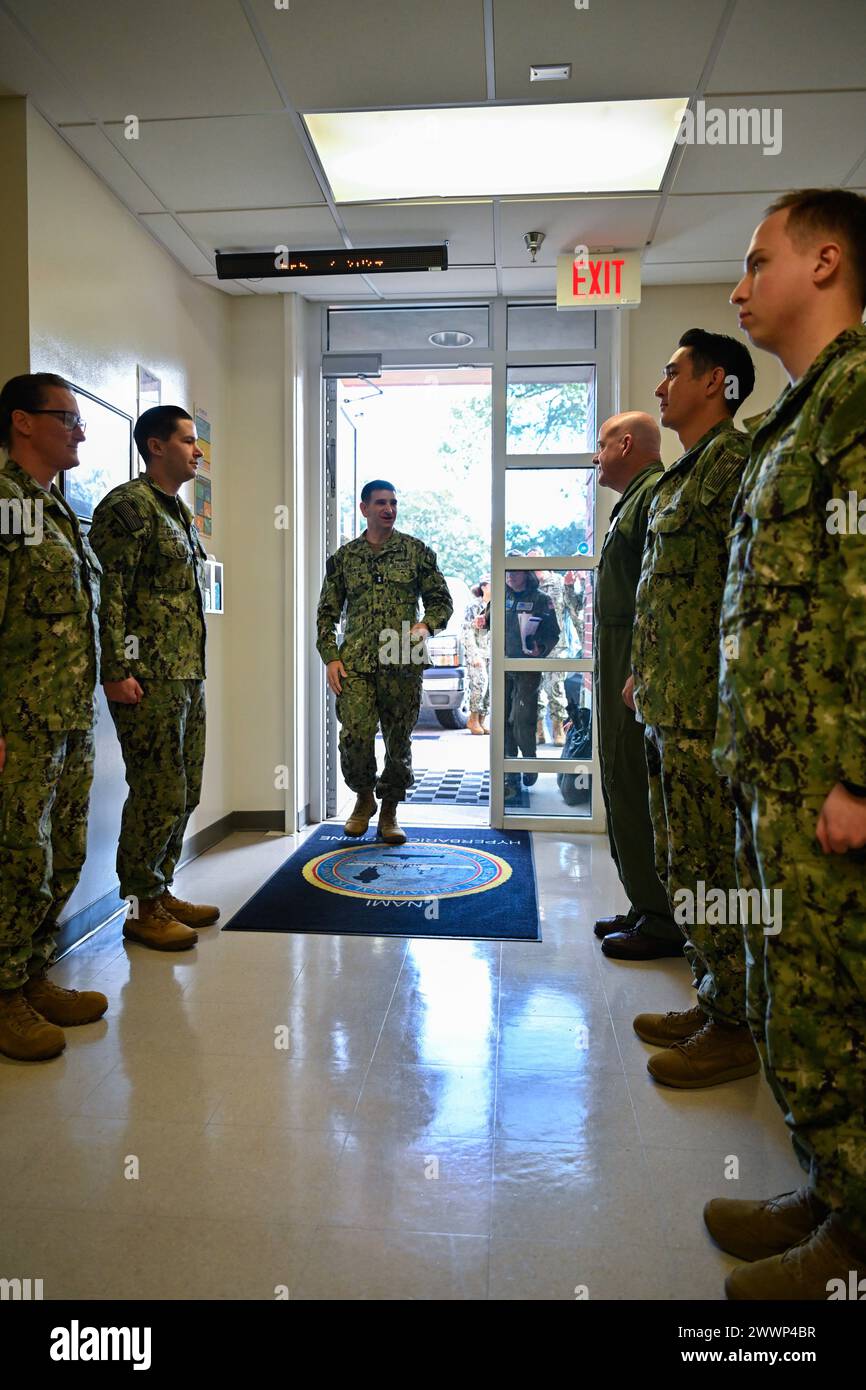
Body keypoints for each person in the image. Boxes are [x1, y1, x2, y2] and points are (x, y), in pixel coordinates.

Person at [706, 188, 866, 1299]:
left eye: (756, 261)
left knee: (832, 1008)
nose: (736, 285)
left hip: (828, 778)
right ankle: (826, 1187)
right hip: (778, 768)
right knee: (790, 997)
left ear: (822, 264)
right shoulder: (802, 415)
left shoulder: (859, 399)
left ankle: (857, 1238)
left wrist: (858, 771)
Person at [628, 328, 759, 1086]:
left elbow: (744, 594)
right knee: (685, 860)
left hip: (709, 713)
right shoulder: (683, 477)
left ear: (714, 382)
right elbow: (673, 596)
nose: (661, 387)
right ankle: (713, 999)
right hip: (669, 704)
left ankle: (735, 1023)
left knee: (715, 864)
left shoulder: (733, 465)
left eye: (673, 372)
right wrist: (643, 673)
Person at [0, 372, 107, 1060]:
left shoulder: (55, 509)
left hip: (68, 715)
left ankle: (33, 973)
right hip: (22, 721)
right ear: (22, 423)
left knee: (62, 849)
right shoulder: (6, 505)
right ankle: (5, 993)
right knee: (19, 856)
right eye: (65, 417)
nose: (80, 429)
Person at [88, 405, 216, 952]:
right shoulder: (127, 508)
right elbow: (107, 594)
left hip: (185, 674)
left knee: (184, 791)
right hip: (147, 679)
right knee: (157, 792)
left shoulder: (177, 513)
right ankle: (141, 907)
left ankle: (159, 891)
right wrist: (115, 670)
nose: (198, 451)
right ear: (155, 445)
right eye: (189, 441)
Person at [316, 480, 452, 845]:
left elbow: (441, 601)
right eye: (380, 503)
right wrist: (330, 657)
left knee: (398, 740)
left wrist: (427, 625)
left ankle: (390, 807)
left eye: (393, 503)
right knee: (355, 734)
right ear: (364, 508)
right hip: (356, 660)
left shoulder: (416, 552)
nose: (388, 509)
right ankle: (363, 798)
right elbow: (325, 614)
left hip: (402, 656)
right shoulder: (345, 558)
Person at [591, 411, 680, 960]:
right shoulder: (637, 499)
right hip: (619, 654)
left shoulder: (654, 496)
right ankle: (644, 905)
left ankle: (662, 922)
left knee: (633, 782)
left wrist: (641, 667)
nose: (596, 455)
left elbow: (660, 596)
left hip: (632, 659)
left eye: (601, 444)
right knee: (619, 778)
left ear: (626, 444)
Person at [502, 561, 560, 801]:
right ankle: (510, 775)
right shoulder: (500, 597)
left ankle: (529, 760)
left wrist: (542, 648)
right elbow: (488, 623)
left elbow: (553, 633)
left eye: (515, 571)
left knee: (521, 718)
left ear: (526, 573)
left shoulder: (541, 599)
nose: (510, 577)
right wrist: (483, 623)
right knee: (504, 720)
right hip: (502, 667)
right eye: (507, 572)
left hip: (527, 667)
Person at [527, 550, 568, 746]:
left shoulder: (558, 582)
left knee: (555, 688)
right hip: (534, 645)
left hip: (556, 646)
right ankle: (539, 729)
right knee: (536, 689)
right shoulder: (529, 585)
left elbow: (573, 608)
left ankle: (558, 728)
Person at [462, 576, 490, 735]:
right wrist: (473, 655)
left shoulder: (499, 604)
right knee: (480, 684)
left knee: (490, 688)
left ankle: (482, 719)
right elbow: (466, 630)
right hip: (478, 651)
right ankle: (472, 719)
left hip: (493, 651)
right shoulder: (474, 606)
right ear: (484, 587)